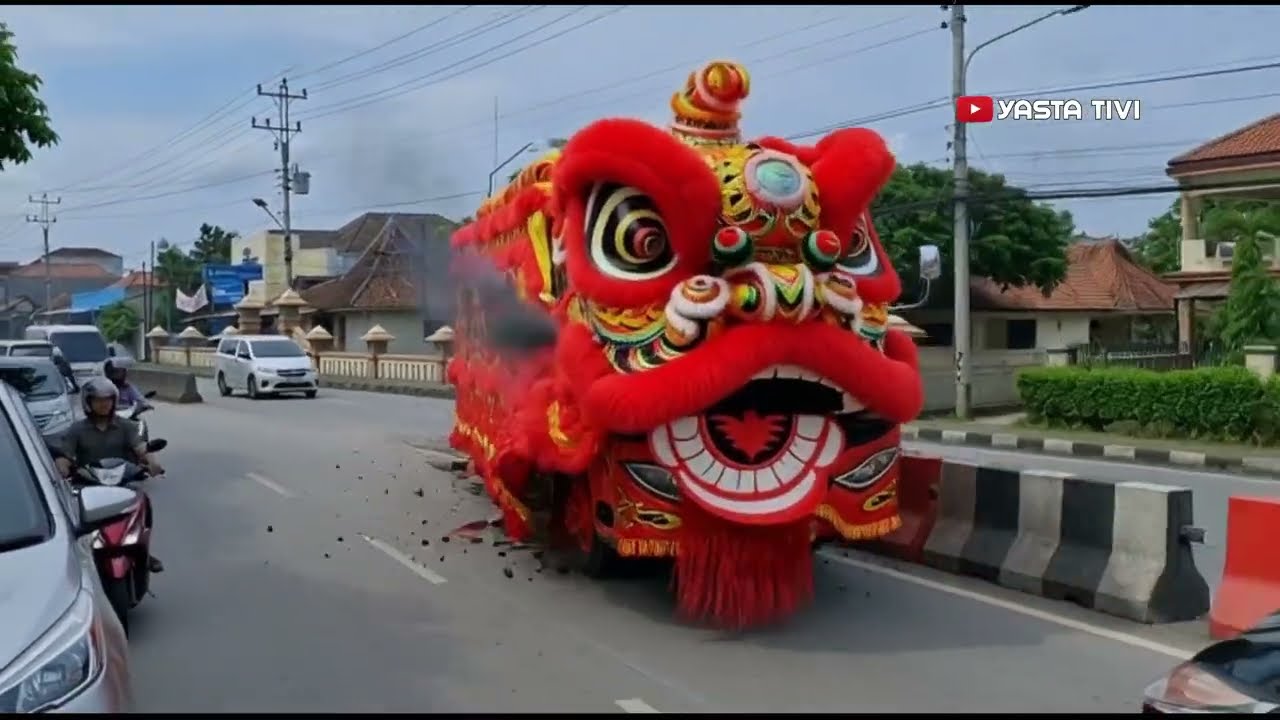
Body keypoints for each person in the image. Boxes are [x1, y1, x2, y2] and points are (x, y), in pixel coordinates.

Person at [56, 377, 165, 573]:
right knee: (71, 515)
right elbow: (65, 455)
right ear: (88, 403)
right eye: (98, 400)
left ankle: (142, 550)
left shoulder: (125, 426)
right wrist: (62, 468)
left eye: (108, 399)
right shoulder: (77, 430)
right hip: (88, 484)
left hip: (122, 482)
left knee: (143, 503)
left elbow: (141, 448)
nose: (104, 404)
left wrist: (152, 462)